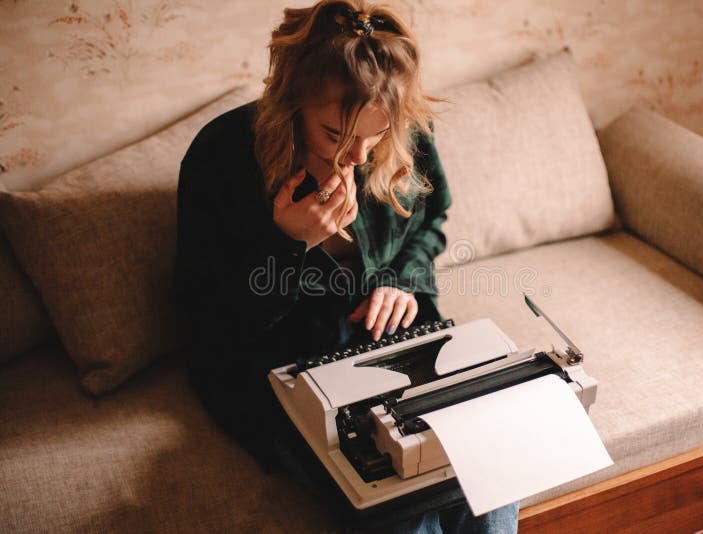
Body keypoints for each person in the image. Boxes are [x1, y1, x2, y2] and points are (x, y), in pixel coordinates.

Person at [174, 1, 519, 532]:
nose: (358, 156)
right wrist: (290, 242)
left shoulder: (404, 134)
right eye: (335, 134)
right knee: (401, 505)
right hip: (277, 360)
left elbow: (431, 222)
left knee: (490, 465)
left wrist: (403, 282)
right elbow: (212, 322)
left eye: (375, 135)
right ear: (293, 103)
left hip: (393, 333)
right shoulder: (223, 156)